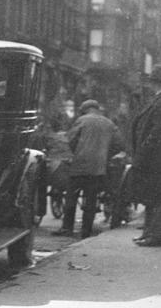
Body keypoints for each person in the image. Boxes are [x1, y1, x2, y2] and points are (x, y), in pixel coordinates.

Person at [52, 99, 124, 239]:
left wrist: (76, 152)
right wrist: (106, 156)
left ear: (84, 110)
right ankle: (86, 231)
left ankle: (67, 228)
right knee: (91, 198)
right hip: (98, 168)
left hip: (79, 165)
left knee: (71, 196)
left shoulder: (82, 120)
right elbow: (119, 144)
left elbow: (71, 139)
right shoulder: (109, 123)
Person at [130, 66, 161, 246]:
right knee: (152, 196)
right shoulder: (156, 99)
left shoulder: (159, 101)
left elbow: (157, 131)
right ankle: (148, 233)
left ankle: (154, 236)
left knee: (156, 197)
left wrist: (143, 151)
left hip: (155, 158)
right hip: (153, 157)